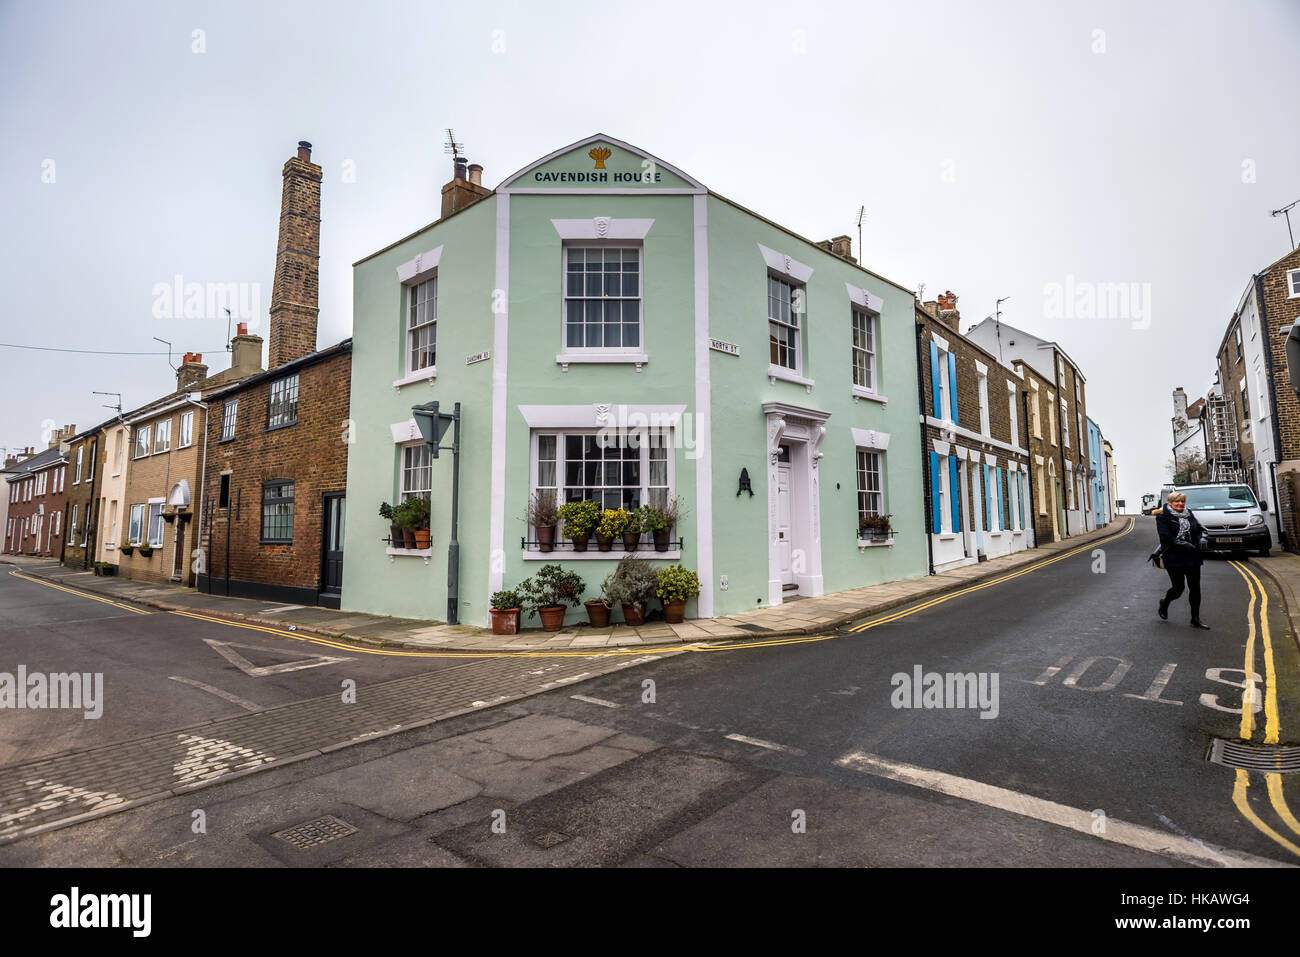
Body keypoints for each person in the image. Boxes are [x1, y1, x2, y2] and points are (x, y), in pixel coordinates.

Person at [1155, 492, 1210, 629]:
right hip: (1174, 557)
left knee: (1195, 588)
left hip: (1192, 556)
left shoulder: (1189, 513)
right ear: (1170, 503)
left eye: (1182, 501)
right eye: (1176, 502)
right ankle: (1165, 603)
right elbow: (1165, 538)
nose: (1180, 504)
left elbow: (1201, 528)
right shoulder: (1162, 517)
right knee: (1178, 588)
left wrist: (1203, 537)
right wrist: (1184, 544)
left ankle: (1195, 619)